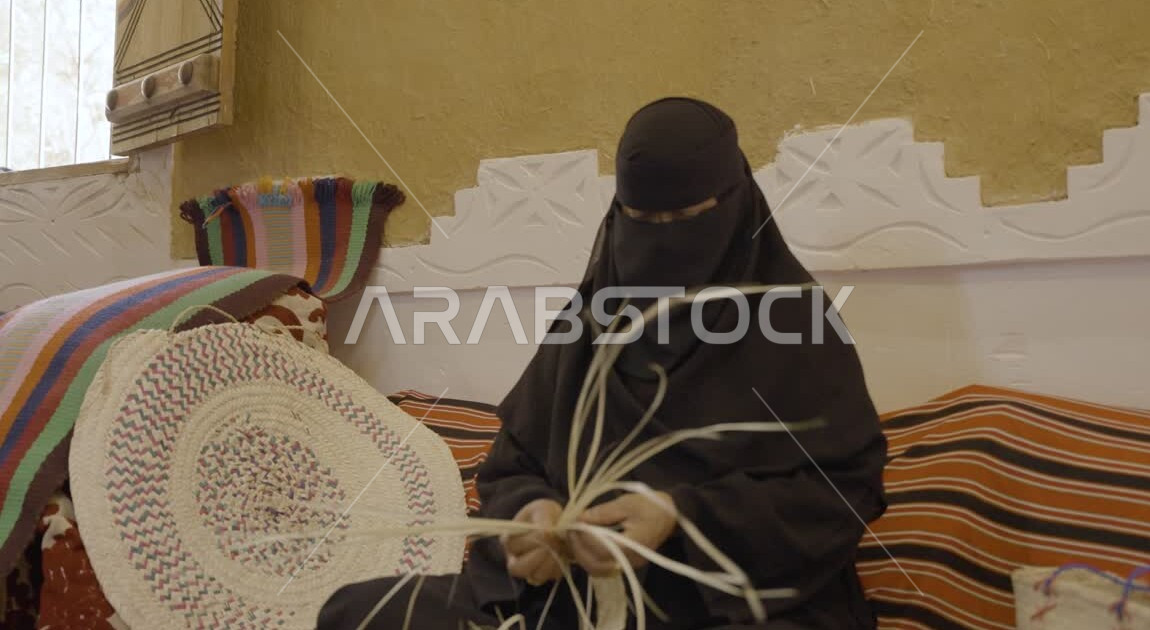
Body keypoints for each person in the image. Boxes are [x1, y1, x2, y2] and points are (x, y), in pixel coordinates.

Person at [317, 97, 886, 629]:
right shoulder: (593, 318)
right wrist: (531, 517)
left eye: (686, 217)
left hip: (729, 604)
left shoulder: (794, 324)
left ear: (737, 209)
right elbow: (511, 466)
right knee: (356, 612)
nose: (661, 243)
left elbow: (843, 492)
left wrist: (680, 515)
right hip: (573, 596)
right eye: (641, 219)